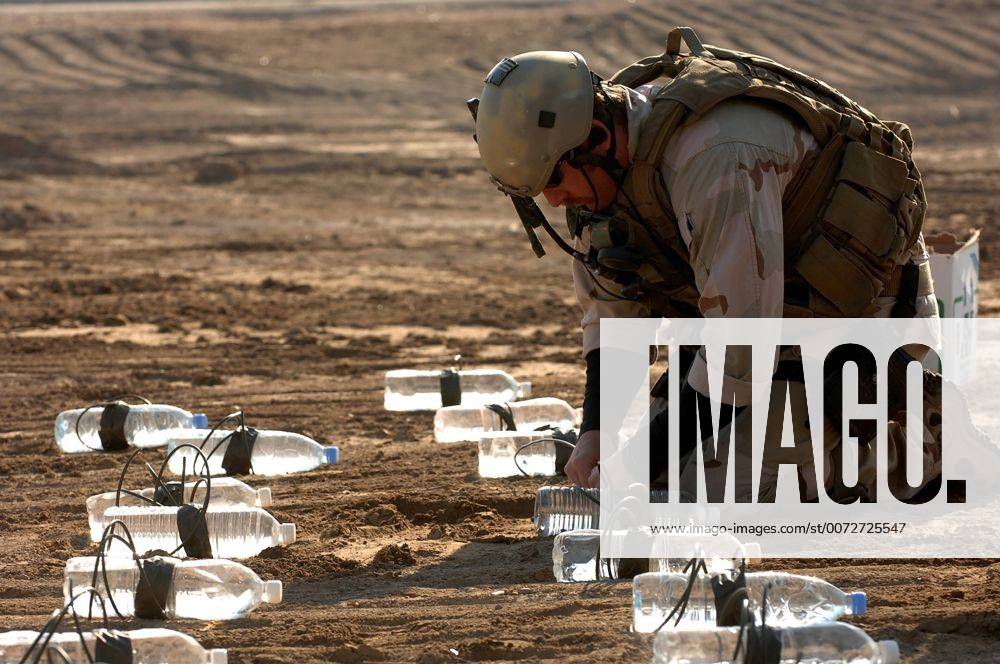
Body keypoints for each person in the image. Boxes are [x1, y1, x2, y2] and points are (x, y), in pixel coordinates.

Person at [467, 28, 940, 500]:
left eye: (554, 178)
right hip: (776, 320)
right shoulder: (598, 177)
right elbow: (616, 328)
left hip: (869, 319)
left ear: (595, 136)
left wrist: (638, 460)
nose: (553, 198)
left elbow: (742, 349)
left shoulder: (717, 157)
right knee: (658, 482)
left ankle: (929, 444)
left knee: (731, 489)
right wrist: (597, 434)